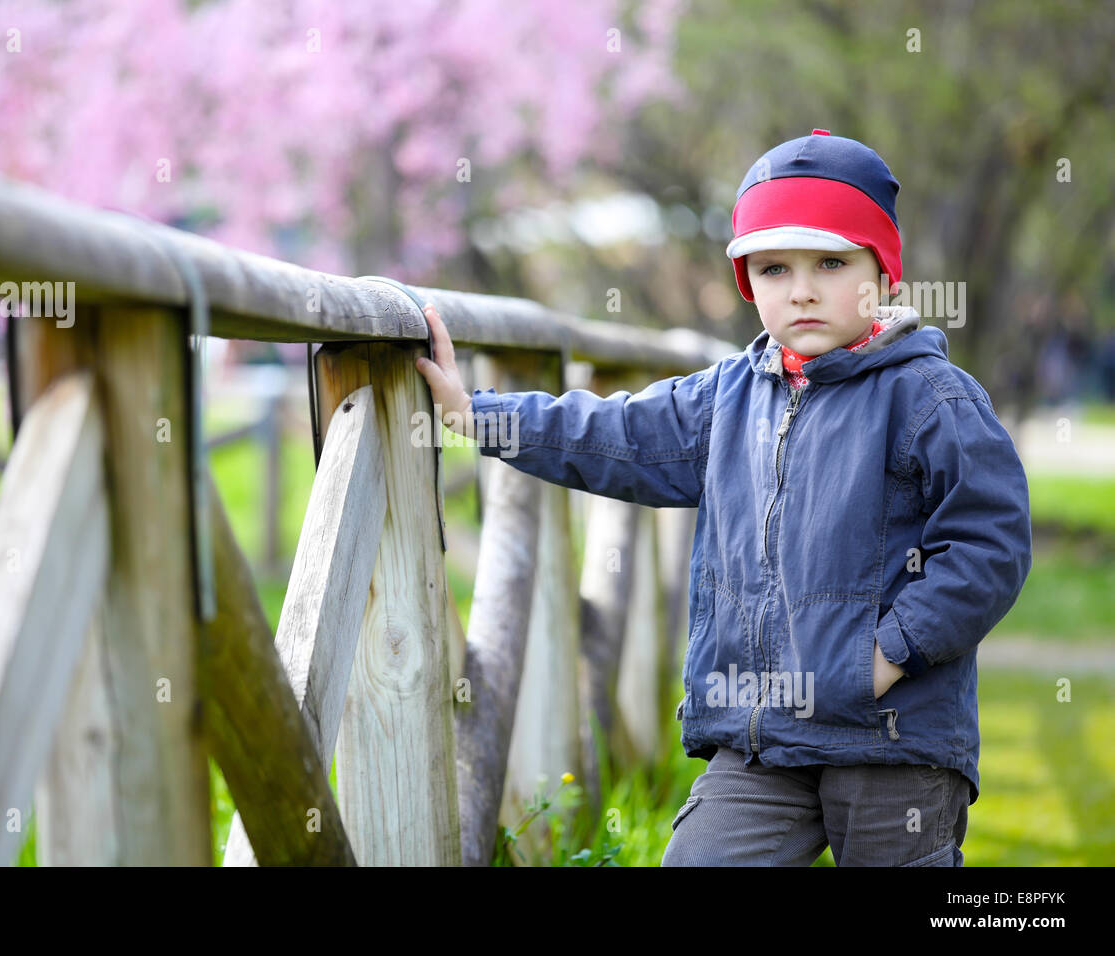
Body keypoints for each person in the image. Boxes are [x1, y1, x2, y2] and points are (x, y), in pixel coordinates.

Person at [413, 129, 1032, 866]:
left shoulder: (929, 398)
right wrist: (476, 414)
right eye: (774, 268)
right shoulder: (729, 398)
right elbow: (613, 435)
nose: (800, 288)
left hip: (892, 738)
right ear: (749, 281)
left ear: (882, 273)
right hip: (760, 737)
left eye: (831, 262)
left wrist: (891, 652)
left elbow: (991, 542)